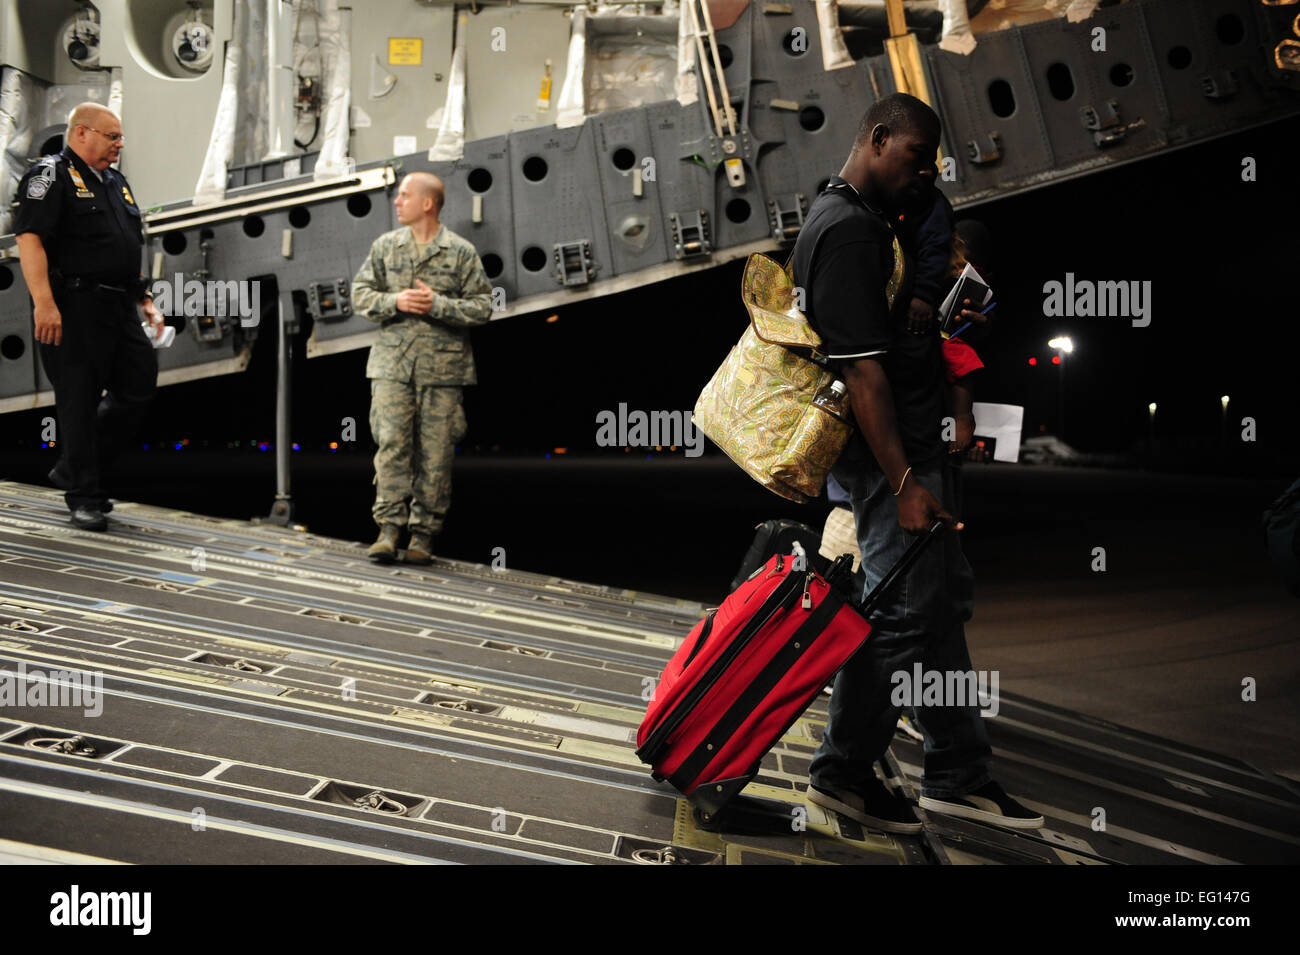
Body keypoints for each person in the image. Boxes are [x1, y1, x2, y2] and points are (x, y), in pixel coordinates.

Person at [793, 92, 1041, 833]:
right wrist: (903, 481)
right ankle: (841, 771)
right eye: (915, 156)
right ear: (875, 139)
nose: (926, 172)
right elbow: (862, 372)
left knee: (938, 606)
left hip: (911, 446)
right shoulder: (845, 232)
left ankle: (957, 769)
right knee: (903, 613)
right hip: (889, 456)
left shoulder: (868, 223)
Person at [13, 103, 163, 532]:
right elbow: (30, 240)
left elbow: (123, 244)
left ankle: (71, 466)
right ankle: (85, 496)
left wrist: (144, 298)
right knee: (77, 402)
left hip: (118, 305)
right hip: (73, 307)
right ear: (81, 133)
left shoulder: (116, 181)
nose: (119, 145)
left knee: (138, 389)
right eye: (111, 137)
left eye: (119, 138)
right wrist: (44, 303)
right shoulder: (50, 175)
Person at [351, 172, 492, 564]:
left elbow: (483, 307)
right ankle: (388, 530)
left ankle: (423, 537)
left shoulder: (460, 252)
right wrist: (395, 301)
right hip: (393, 366)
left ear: (427, 204)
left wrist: (439, 305)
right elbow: (360, 295)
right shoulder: (385, 247)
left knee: (436, 455)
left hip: (442, 372)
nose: (397, 202)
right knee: (392, 446)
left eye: (404, 195)